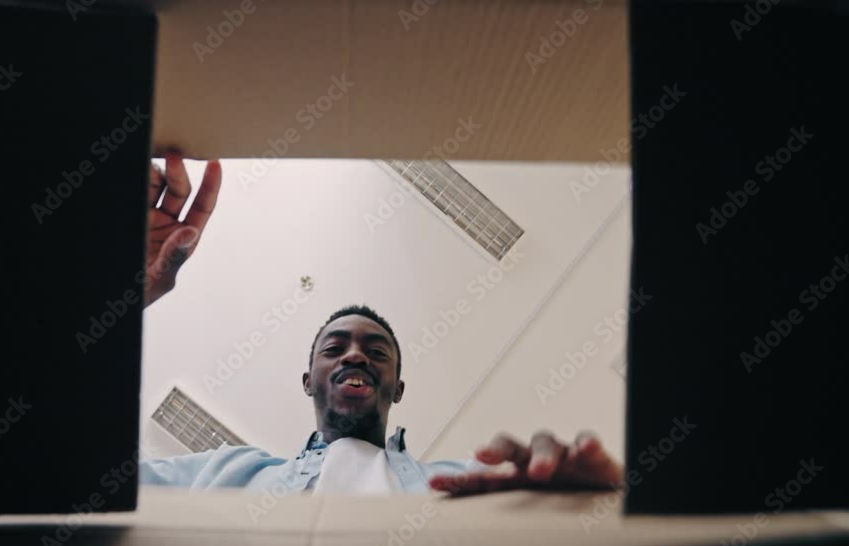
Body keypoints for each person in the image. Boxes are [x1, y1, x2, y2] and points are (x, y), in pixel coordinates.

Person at [138, 152, 624, 496]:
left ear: (398, 387)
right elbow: (77, 491)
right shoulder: (221, 475)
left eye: (377, 351)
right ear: (307, 381)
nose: (355, 355)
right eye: (334, 348)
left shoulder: (469, 485)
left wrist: (585, 506)